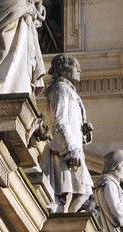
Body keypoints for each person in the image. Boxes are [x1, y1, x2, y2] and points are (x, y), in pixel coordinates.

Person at [43, 54, 94, 213]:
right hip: (65, 150)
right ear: (62, 69)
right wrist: (71, 147)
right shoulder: (60, 89)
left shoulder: (69, 92)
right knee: (83, 192)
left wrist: (84, 133)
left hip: (72, 149)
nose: (79, 69)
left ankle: (67, 219)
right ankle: (66, 221)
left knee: (84, 193)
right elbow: (60, 120)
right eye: (74, 66)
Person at [0, 0, 46, 95]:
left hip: (22, 31)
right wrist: (27, 6)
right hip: (6, 24)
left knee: (19, 85)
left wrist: (34, 7)